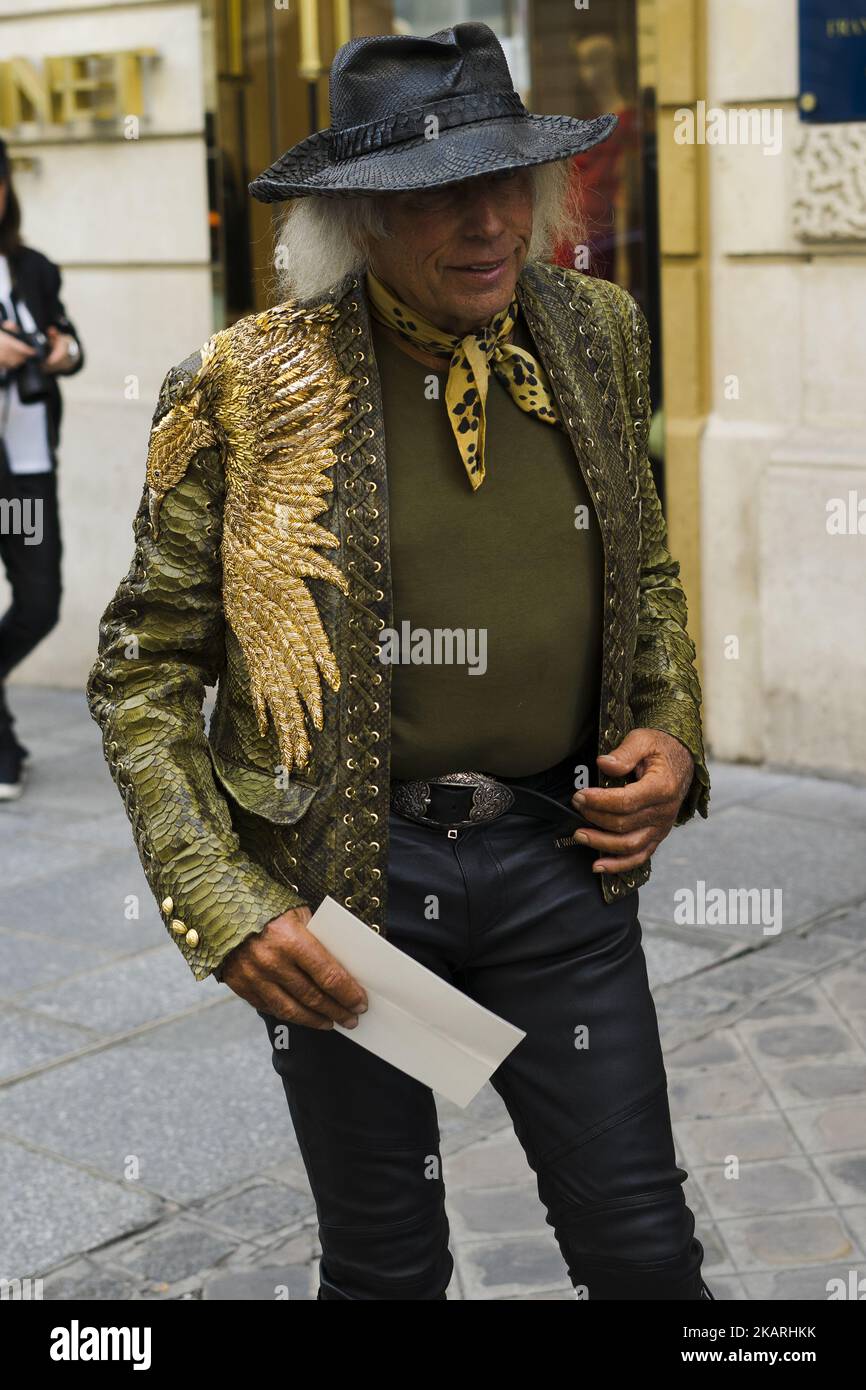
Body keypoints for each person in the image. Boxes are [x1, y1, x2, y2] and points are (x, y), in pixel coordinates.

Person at [87, 23, 714, 1301]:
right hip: (351, 897)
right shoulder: (242, 384)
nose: (484, 223)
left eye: (502, 182)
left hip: (561, 869)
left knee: (643, 1253)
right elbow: (141, 668)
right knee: (386, 1267)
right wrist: (222, 904)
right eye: (433, 194)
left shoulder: (595, 329)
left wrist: (671, 730)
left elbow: (642, 571)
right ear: (359, 219)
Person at [0, 136, 85, 799]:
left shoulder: (33, 268)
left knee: (39, 601)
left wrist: (60, 352)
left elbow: (67, 337)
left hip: (25, 468)